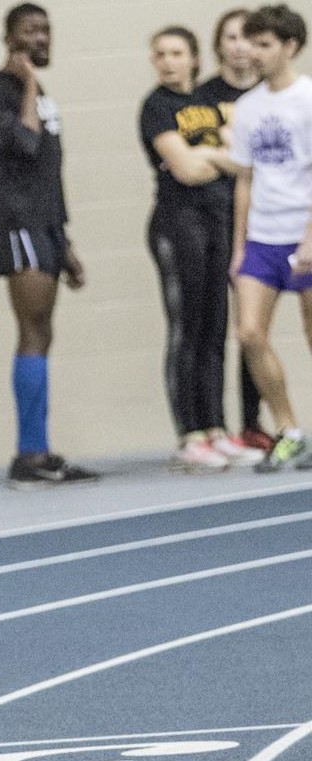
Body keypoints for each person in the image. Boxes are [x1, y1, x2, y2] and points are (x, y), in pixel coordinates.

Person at [0, 3, 99, 489]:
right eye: (31, 31)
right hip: (17, 224)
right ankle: (28, 455)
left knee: (44, 333)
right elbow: (23, 146)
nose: (42, 38)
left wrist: (64, 241)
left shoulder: (41, 93)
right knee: (31, 329)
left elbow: (50, 170)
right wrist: (26, 82)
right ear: (10, 38)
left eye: (46, 30)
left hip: (46, 226)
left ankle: (39, 449)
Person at [139, 26, 264, 473]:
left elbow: (242, 160)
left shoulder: (208, 104)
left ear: (194, 59)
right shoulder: (156, 107)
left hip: (217, 224)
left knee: (215, 328)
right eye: (160, 54)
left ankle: (215, 428)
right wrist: (213, 157)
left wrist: (207, 156)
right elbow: (187, 170)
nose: (168, 61)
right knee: (186, 328)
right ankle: (189, 434)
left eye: (176, 53)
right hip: (177, 225)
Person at [228, 4, 312, 472]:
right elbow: (245, 178)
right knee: (249, 333)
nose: (252, 53)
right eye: (249, 43)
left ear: (290, 47)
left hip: (304, 232)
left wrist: (309, 238)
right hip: (262, 237)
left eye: (263, 44)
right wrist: (240, 245)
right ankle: (289, 430)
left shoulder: (308, 99)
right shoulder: (247, 107)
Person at [197, 7, 275, 453]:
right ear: (219, 44)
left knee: (254, 328)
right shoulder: (204, 95)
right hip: (213, 218)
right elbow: (204, 155)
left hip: (263, 217)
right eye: (231, 37)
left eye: (249, 37)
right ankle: (214, 425)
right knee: (215, 326)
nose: (241, 46)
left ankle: (252, 420)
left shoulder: (271, 96)